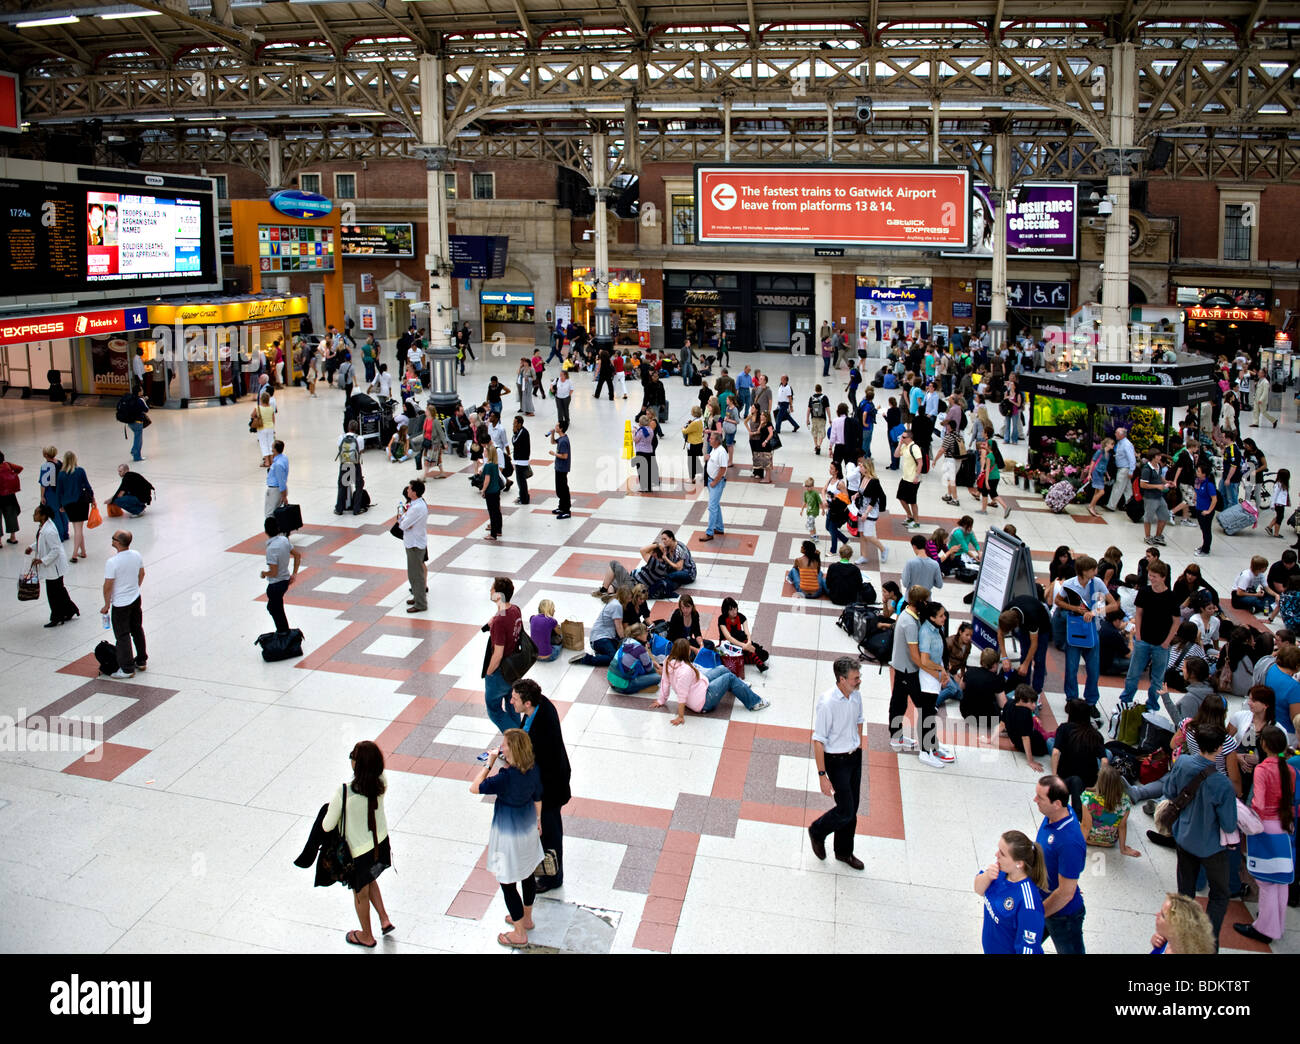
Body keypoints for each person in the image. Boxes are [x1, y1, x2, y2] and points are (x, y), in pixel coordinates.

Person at [1161, 723, 1239, 945]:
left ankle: (1180, 940)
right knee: (1219, 894)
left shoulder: (1183, 762)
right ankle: (1208, 944)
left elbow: (1170, 791)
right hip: (1211, 846)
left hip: (1184, 837)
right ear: (1220, 747)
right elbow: (1229, 823)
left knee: (1185, 893)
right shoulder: (1222, 783)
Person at [471, 728, 544, 948]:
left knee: (508, 883)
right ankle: (527, 917)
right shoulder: (532, 769)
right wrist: (539, 821)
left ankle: (519, 933)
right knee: (528, 874)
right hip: (529, 828)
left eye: (504, 745)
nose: (501, 747)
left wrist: (489, 762)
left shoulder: (504, 778)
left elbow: (475, 788)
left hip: (508, 835)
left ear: (512, 750)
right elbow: (538, 797)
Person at [319, 741, 393, 948]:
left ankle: (366, 935)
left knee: (360, 893)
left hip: (359, 853)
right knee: (370, 879)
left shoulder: (344, 793)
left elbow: (327, 826)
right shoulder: (382, 781)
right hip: (380, 843)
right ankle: (384, 919)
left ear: (356, 765)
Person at [1235, 725, 1297, 944]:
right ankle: (1276, 925)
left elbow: (1259, 802)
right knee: (1280, 881)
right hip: (1283, 826)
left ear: (1264, 745)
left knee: (1265, 881)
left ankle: (1264, 929)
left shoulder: (1262, 769)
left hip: (1264, 827)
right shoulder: (1289, 769)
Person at [509, 679, 571, 893]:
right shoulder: (537, 705)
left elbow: (538, 760)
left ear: (527, 703)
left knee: (550, 832)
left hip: (550, 789)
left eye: (515, 699)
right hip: (546, 784)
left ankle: (553, 878)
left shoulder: (544, 724)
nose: (511, 702)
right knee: (547, 830)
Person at [808, 657, 866, 869]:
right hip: (836, 761)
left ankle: (843, 852)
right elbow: (818, 741)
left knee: (853, 809)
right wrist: (822, 775)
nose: (859, 681)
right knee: (845, 810)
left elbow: (859, 720)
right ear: (841, 679)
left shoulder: (856, 695)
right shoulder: (827, 703)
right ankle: (817, 830)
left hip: (854, 757)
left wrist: (858, 746)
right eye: (855, 678)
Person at [1033, 774, 1088, 954]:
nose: (1035, 800)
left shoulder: (1069, 842)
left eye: (1040, 798)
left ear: (1057, 803)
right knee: (1016, 946)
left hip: (1063, 917)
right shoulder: (1053, 815)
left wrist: (1037, 915)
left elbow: (1065, 893)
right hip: (1042, 901)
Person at [1118, 559, 1180, 709]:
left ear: (1163, 577)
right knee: (1133, 673)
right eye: (1150, 576)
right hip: (1143, 639)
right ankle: (1126, 699)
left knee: (1157, 678)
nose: (1151, 579)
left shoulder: (1171, 597)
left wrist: (1167, 641)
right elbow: (1139, 613)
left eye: (1155, 576)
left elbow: (1176, 621)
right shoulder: (1145, 591)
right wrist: (1138, 634)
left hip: (1161, 643)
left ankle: (1152, 705)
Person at [974, 830, 1047, 954]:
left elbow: (1027, 949)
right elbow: (978, 889)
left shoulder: (1028, 902)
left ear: (1019, 863)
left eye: (1002, 853)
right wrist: (987, 876)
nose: (996, 854)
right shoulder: (999, 872)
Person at [98, 528, 146, 677]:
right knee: (137, 629)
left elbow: (107, 586)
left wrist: (106, 605)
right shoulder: (136, 555)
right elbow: (142, 573)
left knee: (122, 635)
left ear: (118, 543)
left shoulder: (112, 562)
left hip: (120, 604)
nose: (111, 540)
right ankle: (141, 660)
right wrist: (134, 588)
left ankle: (126, 668)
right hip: (135, 598)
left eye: (113, 538)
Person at [481, 577, 525, 735]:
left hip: (500, 672)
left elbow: (498, 653)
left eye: (492, 588)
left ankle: (518, 740)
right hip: (514, 669)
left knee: (494, 710)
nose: (490, 591)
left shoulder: (500, 620)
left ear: (499, 595)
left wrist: (489, 672)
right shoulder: (515, 610)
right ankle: (519, 742)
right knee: (513, 706)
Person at [26, 503, 77, 628]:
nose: (34, 515)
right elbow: (41, 541)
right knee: (59, 591)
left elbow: (55, 550)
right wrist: (32, 547)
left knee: (53, 593)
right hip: (54, 567)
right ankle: (70, 610)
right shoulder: (45, 527)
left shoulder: (49, 531)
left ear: (43, 516)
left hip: (54, 568)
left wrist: (42, 560)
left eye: (36, 513)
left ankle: (57, 617)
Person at [1051, 700, 1105, 816]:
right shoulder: (1095, 734)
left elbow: (1055, 753)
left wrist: (1054, 776)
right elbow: (1104, 760)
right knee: (1107, 753)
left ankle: (1076, 813)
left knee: (1050, 741)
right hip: (1089, 780)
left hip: (1066, 776)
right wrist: (1098, 785)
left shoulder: (1064, 728)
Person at [996, 592, 1052, 697]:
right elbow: (1000, 634)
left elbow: (1034, 644)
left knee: (1039, 660)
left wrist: (1026, 665)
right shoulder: (1006, 613)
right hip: (1025, 627)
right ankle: (1024, 690)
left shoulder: (1032, 617)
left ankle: (1036, 693)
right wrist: (1004, 657)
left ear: (1016, 625)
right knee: (1024, 655)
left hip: (1042, 627)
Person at [1080, 762, 1140, 856]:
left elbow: (1085, 825)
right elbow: (1122, 826)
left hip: (1089, 840)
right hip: (1110, 842)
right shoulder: (1125, 801)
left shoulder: (1087, 797)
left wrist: (1079, 849)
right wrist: (1123, 849)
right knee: (1121, 820)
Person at [260, 515, 302, 635]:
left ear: (266, 531)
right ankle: (283, 631)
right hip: (285, 581)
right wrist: (294, 573)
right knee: (275, 608)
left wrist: (264, 574)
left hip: (275, 585)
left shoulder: (271, 549)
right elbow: (297, 555)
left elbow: (273, 572)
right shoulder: (284, 540)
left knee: (275, 609)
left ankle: (283, 633)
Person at [1002, 684, 1048, 772]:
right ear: (1022, 700)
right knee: (1050, 739)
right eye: (1032, 702)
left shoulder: (1009, 703)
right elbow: (1025, 738)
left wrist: (991, 740)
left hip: (1016, 743)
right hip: (1037, 747)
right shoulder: (1025, 713)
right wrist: (1030, 761)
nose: (1034, 705)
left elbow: (1002, 724)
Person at [58, 451, 94, 563]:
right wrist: (92, 498)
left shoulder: (61, 474)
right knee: (79, 529)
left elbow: (59, 491)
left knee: (77, 529)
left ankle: (80, 552)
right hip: (81, 502)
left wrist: (60, 505)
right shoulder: (80, 471)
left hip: (69, 504)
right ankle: (77, 553)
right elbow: (87, 486)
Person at [399, 479, 428, 613]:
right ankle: (417, 597)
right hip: (413, 541)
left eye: (410, 489)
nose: (407, 490)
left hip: (415, 544)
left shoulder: (417, 508)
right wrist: (405, 519)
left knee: (416, 575)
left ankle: (421, 603)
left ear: (415, 492)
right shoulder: (417, 504)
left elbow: (403, 525)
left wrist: (402, 519)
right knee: (413, 574)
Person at [606, 622, 661, 693]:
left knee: (638, 665)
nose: (647, 635)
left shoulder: (626, 641)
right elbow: (649, 669)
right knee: (658, 677)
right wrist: (657, 670)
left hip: (611, 680)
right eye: (646, 633)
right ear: (639, 635)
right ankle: (640, 688)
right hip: (623, 686)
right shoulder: (640, 649)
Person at [893, 429, 923, 529]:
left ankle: (917, 521)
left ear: (910, 438)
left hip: (913, 479)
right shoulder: (905, 447)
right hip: (905, 477)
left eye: (904, 437)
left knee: (912, 501)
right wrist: (899, 444)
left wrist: (917, 476)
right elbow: (896, 455)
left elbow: (920, 462)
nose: (902, 438)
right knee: (901, 497)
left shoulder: (914, 448)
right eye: (902, 437)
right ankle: (909, 516)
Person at [700, 430, 727, 542]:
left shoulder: (721, 452)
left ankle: (710, 532)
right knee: (716, 505)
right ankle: (719, 528)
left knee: (712, 507)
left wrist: (715, 481)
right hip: (712, 480)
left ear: (717, 441)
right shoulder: (714, 449)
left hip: (717, 482)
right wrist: (708, 458)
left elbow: (723, 468)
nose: (709, 440)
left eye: (711, 438)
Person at [1107, 426, 1135, 511]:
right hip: (1122, 468)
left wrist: (1131, 470)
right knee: (1127, 489)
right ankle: (1131, 505)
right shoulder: (1120, 443)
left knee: (1118, 486)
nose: (1115, 434)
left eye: (1116, 433)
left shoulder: (1126, 444)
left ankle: (1111, 506)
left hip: (1124, 468)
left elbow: (1132, 458)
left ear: (1121, 434)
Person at [549, 420, 571, 519]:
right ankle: (561, 507)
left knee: (563, 489)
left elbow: (565, 456)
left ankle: (566, 510)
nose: (555, 426)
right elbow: (553, 442)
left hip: (562, 468)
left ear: (561, 428)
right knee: (559, 489)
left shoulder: (564, 441)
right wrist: (552, 434)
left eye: (557, 426)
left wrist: (554, 454)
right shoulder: (561, 438)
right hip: (559, 467)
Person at [264, 440, 288, 519]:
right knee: (276, 511)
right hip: (278, 489)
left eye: (272, 447)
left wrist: (284, 496)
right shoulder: (283, 458)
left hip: (275, 490)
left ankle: (272, 530)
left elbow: (281, 480)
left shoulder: (278, 464)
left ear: (275, 449)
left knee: (270, 514)